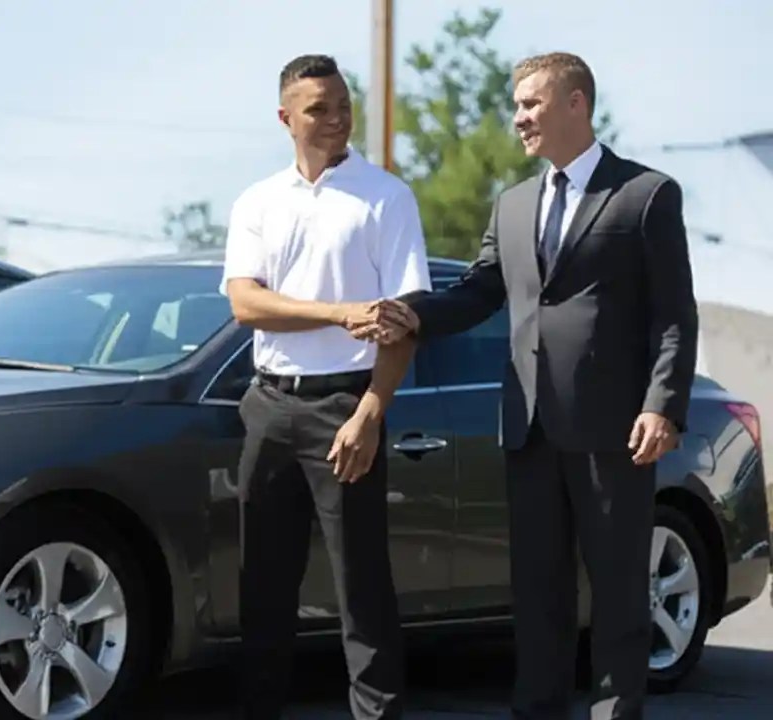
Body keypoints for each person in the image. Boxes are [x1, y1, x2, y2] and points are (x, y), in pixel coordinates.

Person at [363, 52, 699, 719]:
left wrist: (662, 405)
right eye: (516, 105)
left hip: (614, 431)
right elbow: (481, 290)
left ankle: (613, 712)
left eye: (531, 103)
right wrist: (414, 314)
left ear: (577, 103)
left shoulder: (645, 194)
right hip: (528, 426)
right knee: (538, 593)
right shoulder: (514, 205)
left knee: (618, 593)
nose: (518, 117)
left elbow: (674, 314)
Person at [220, 53, 431, 719]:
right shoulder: (256, 201)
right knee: (264, 585)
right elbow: (245, 305)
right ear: (286, 118)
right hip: (269, 404)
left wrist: (371, 410)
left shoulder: (386, 198)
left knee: (361, 585)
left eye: (343, 105)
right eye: (319, 109)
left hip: (346, 404)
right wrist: (340, 312)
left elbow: (403, 322)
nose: (337, 118)